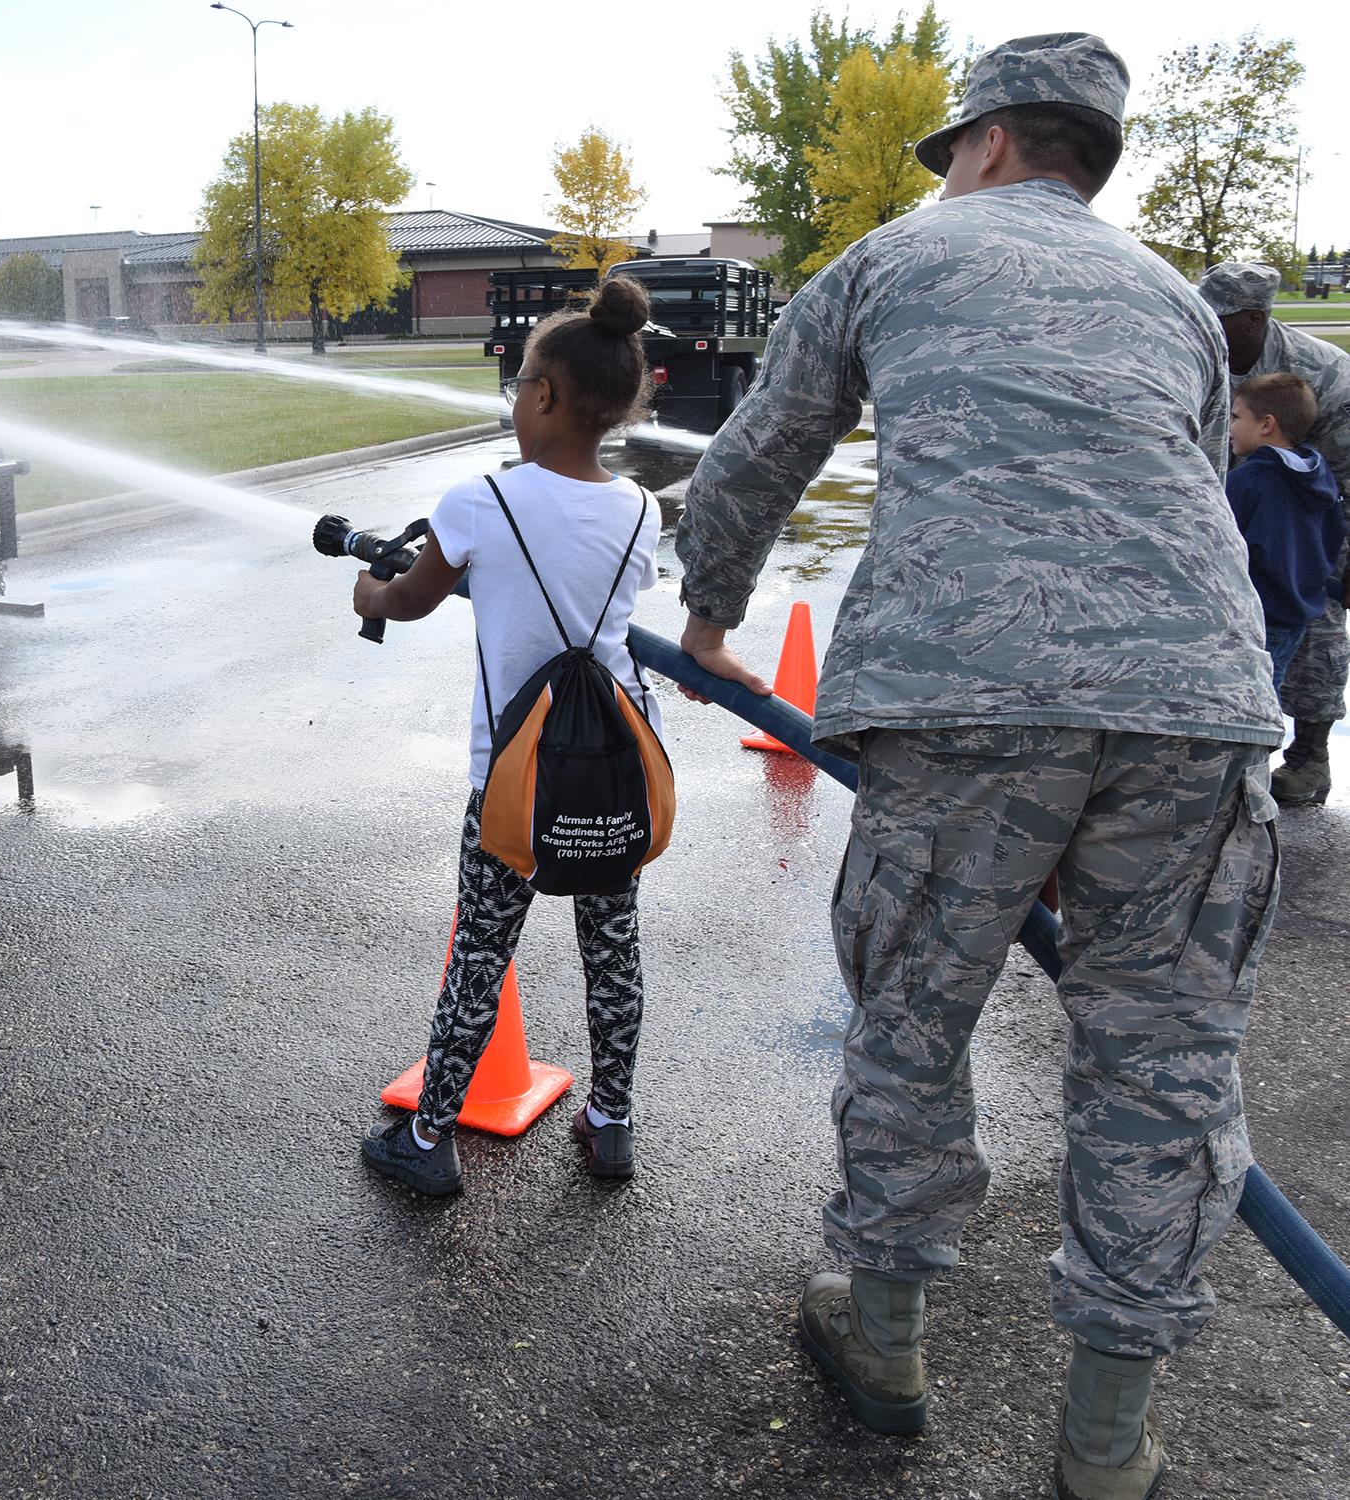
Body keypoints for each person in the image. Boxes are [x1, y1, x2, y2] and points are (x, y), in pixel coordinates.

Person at [672, 34, 1281, 1500]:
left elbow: (760, 449)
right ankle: (1107, 1446)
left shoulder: (898, 256)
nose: (947, 171)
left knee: (913, 1019)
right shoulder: (1176, 304)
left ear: (995, 142)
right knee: (1162, 1066)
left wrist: (709, 615)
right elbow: (1188, 488)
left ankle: (883, 1343)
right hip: (1196, 704)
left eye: (951, 148)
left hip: (961, 698)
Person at [354, 277, 663, 1198]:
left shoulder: (482, 500)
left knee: (481, 956)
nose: (515, 399)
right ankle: (610, 1124)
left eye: (520, 382)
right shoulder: (640, 509)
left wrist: (369, 591)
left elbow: (409, 599)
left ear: (544, 395)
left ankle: (431, 1138)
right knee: (612, 945)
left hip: (517, 784)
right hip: (614, 768)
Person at [1199, 261, 1350, 804]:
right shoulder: (1197, 352)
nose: (1213, 324)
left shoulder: (1321, 372)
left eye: (1227, 317)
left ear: (1257, 318)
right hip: (1226, 512)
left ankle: (1308, 753)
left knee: (1319, 619)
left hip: (1304, 519)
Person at [1225, 372, 1347, 691]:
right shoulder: (1318, 475)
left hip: (1258, 617)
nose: (1229, 427)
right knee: (1269, 692)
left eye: (1236, 417)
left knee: (1248, 699)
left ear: (1266, 424)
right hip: (1296, 616)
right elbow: (1330, 539)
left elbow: (1220, 549)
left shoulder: (1247, 482)